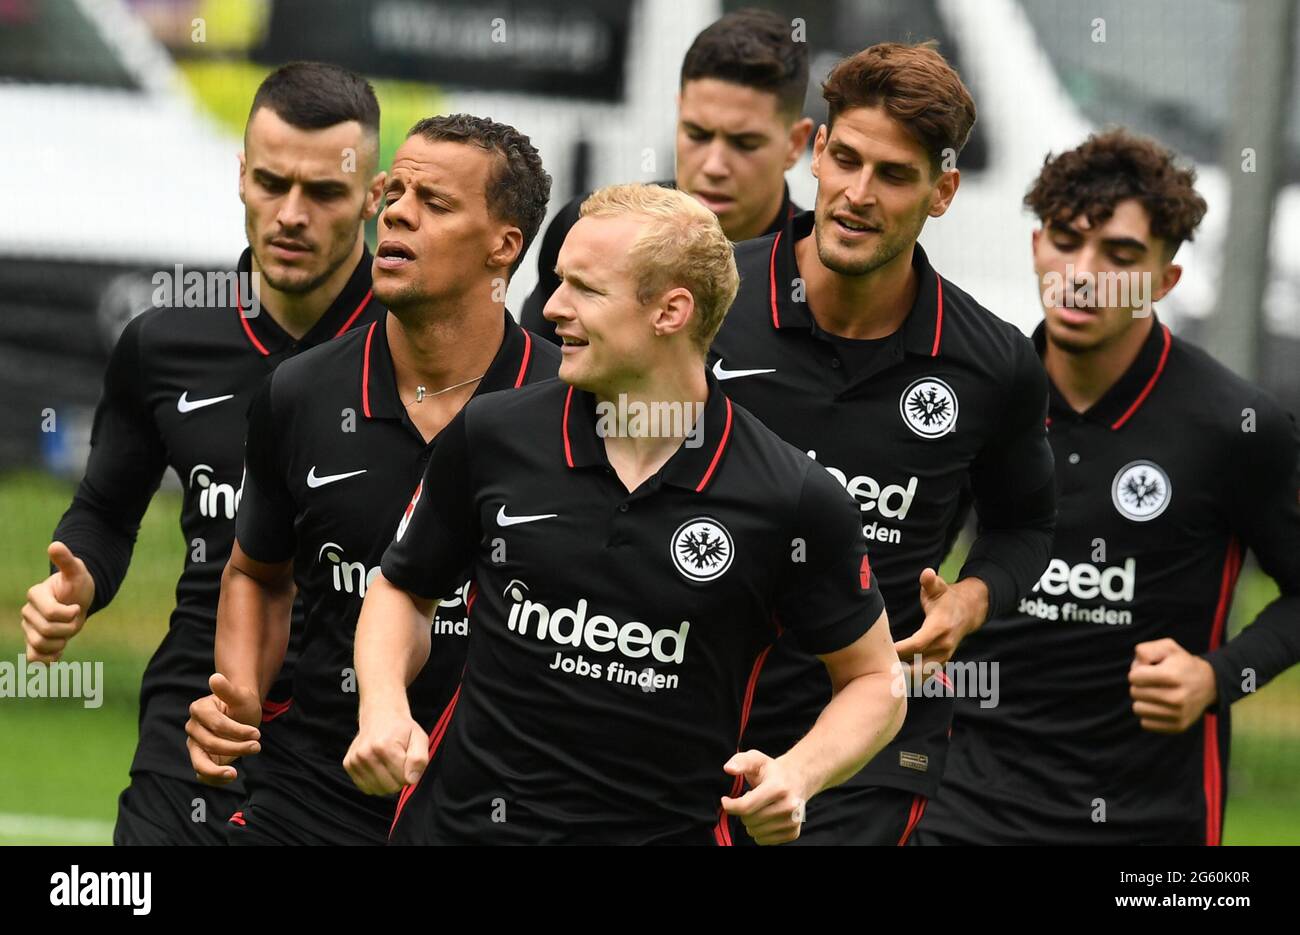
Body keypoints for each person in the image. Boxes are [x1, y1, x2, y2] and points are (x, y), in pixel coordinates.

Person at [344, 183, 904, 845]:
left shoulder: (793, 498)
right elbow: (404, 588)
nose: (552, 308)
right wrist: (382, 704)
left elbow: (876, 678)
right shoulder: (494, 433)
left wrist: (799, 773)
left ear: (670, 311)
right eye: (558, 283)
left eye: (585, 288)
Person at [19, 62, 387, 845]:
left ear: (374, 196)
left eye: (323, 192)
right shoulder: (166, 340)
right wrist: (79, 578)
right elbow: (105, 511)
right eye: (271, 181)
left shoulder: (419, 349)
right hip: (195, 712)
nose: (291, 214)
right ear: (241, 175)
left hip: (356, 733)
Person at [709, 42, 1057, 844]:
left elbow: (1025, 526)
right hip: (687, 707)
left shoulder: (992, 362)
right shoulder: (710, 300)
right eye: (850, 160)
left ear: (942, 192)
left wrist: (969, 603)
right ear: (818, 154)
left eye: (894, 175)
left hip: (869, 748)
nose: (859, 196)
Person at [184, 115, 560, 845]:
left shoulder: (570, 406)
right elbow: (257, 574)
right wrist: (237, 695)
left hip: (503, 809)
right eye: (395, 192)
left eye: (435, 203)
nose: (397, 213)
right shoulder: (300, 391)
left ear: (504, 245)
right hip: (313, 791)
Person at [918, 130, 1300, 845]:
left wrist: (1218, 678)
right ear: (1037, 248)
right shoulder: (975, 398)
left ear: (1165, 281)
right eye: (1066, 241)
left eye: (1121, 255)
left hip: (1147, 821)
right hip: (962, 807)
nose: (1084, 273)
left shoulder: (1235, 425)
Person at [519, 8, 812, 344]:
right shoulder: (587, 229)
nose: (714, 166)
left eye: (745, 144)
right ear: (679, 112)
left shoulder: (816, 278)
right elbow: (533, 384)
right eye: (697, 134)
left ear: (795, 143)